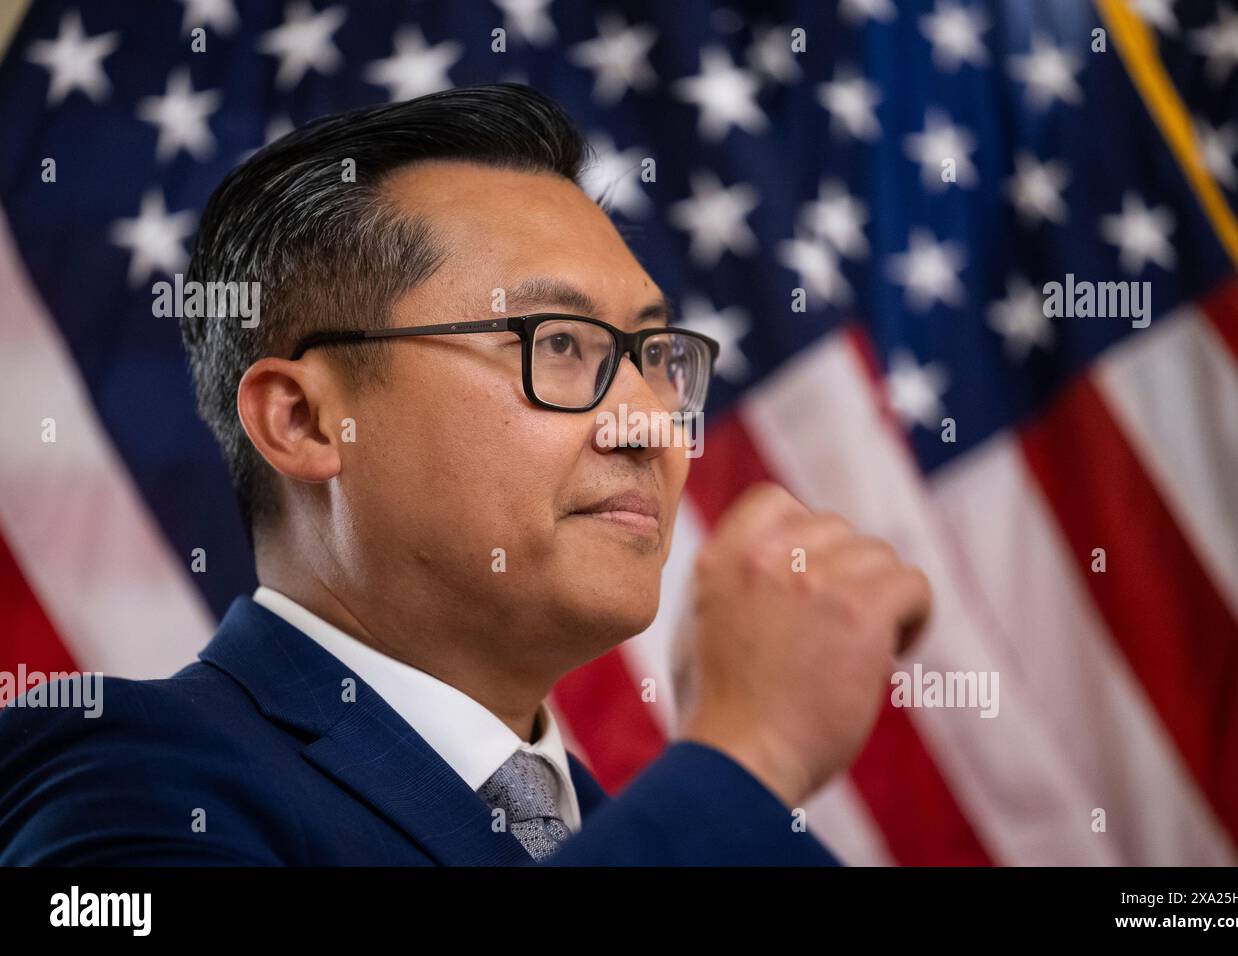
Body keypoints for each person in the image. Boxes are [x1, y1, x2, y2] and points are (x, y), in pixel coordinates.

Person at [0, 84, 930, 865]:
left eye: (655, 355)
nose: (652, 423)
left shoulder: (654, 834)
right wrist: (750, 752)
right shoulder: (118, 773)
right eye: (559, 343)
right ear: (303, 419)